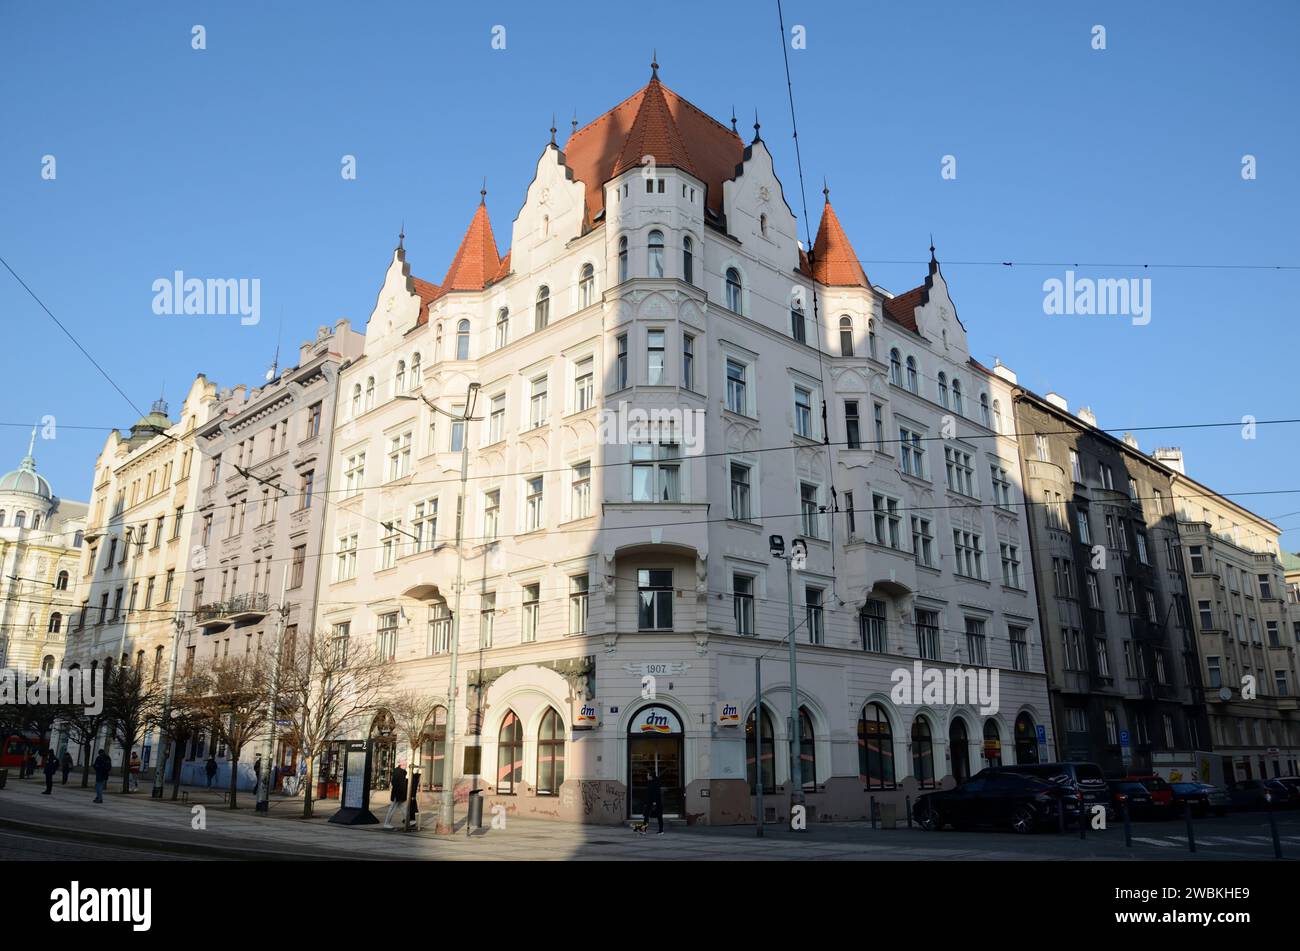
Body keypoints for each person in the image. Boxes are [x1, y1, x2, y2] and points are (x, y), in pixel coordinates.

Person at [382, 760, 408, 829]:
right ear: (401, 765)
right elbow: (394, 783)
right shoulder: (398, 772)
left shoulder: (402, 772)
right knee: (392, 809)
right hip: (397, 794)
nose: (406, 766)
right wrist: (397, 794)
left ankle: (407, 821)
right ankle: (386, 823)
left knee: (403, 808)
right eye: (405, 765)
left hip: (400, 794)